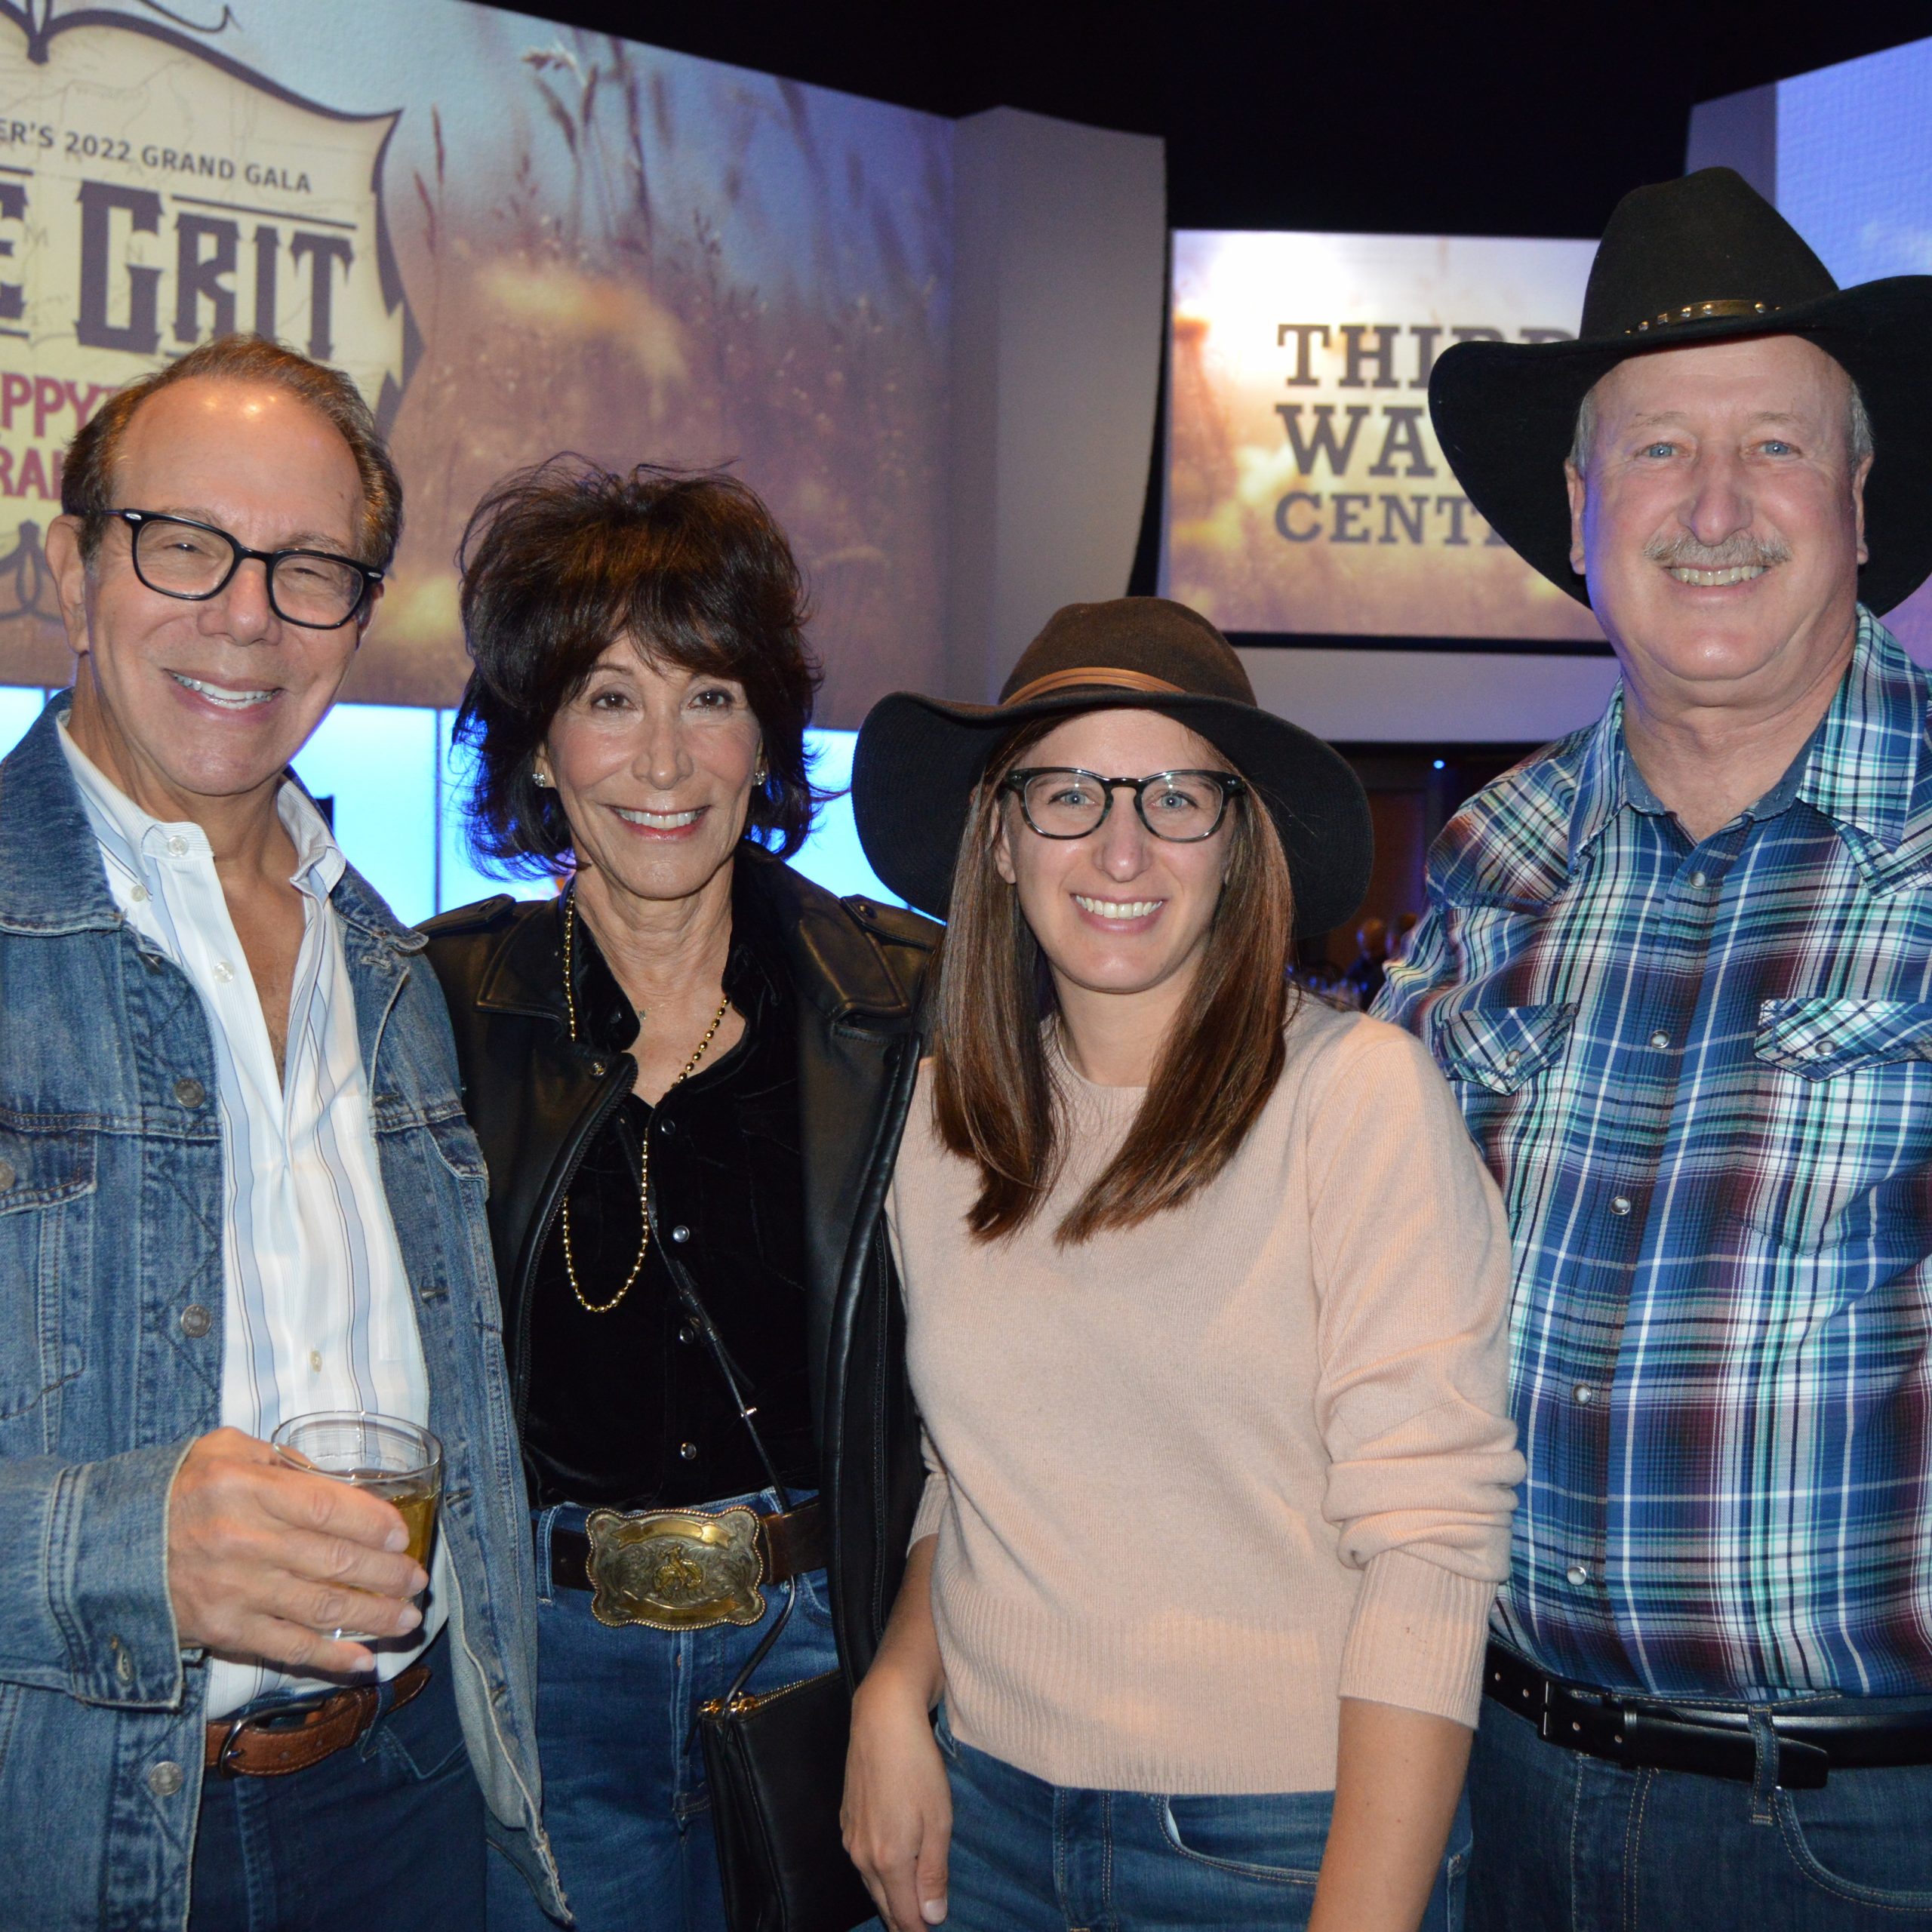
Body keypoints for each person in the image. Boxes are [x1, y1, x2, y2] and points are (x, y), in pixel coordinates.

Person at [1379, 168, 1932, 1928]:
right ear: (1574, 505)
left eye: (1770, 445)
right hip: (1501, 1791)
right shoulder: (1488, 856)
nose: (1709, 505)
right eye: (1651, 450)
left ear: (1856, 497)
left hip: (1867, 1835)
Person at [841, 597, 1524, 1932]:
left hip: (1271, 1851)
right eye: (1066, 794)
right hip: (982, 1824)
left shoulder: (1355, 1099)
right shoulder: (942, 1120)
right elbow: (967, 1475)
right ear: (997, 833)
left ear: (1238, 841)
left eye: (1175, 798)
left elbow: (1432, 1551)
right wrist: (890, 1685)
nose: (1119, 846)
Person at [0, 334, 558, 1930]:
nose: (245, 612)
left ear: (358, 613)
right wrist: (113, 1543)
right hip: (83, 1818)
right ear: (74, 561)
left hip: (408, 1787)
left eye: (309, 566)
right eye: (185, 543)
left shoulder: (389, 967)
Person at [419, 457, 936, 1931]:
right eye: (606, 696)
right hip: (548, 1663)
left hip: (824, 1642)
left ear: (764, 731)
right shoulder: (435, 1007)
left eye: (708, 694)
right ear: (533, 748)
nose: (663, 758)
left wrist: (907, 1678)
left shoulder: (896, 998)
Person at [1343, 915, 1391, 1006]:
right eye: (1365, 949)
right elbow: (1345, 988)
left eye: (1373, 949)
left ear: (1385, 941)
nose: (1368, 955)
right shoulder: (1359, 966)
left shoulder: (1390, 969)